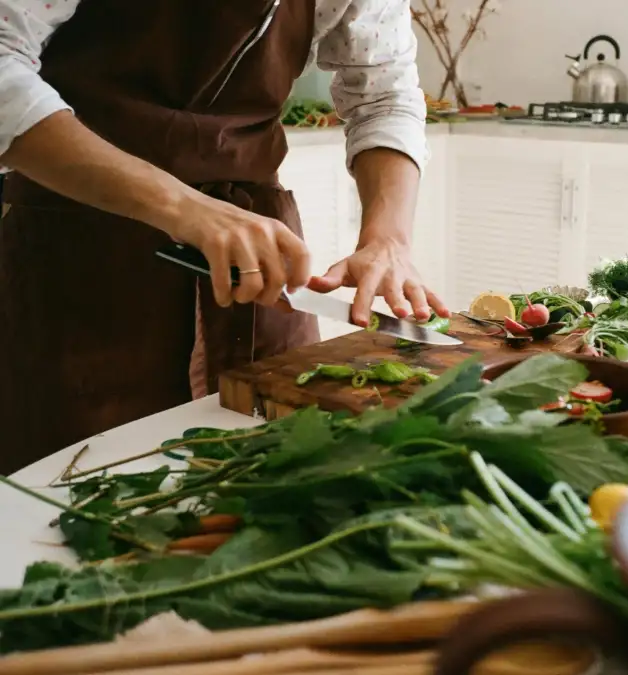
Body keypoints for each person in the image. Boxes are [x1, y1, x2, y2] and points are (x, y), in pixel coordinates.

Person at [0, 0, 450, 474]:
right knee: (67, 490)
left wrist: (388, 238)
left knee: (277, 475)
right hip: (74, 251)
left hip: (260, 265)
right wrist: (180, 206)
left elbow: (385, 95)